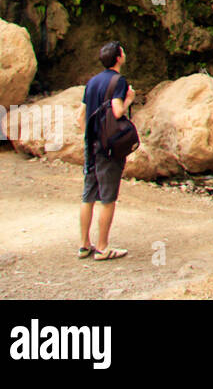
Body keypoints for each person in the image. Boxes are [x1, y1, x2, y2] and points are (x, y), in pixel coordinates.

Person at [78, 41, 135, 261]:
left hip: (90, 146)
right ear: (119, 57)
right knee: (108, 198)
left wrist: (90, 138)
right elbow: (117, 111)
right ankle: (102, 247)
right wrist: (129, 99)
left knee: (88, 196)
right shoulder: (118, 81)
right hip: (108, 148)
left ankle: (84, 245)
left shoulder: (92, 82)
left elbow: (80, 116)